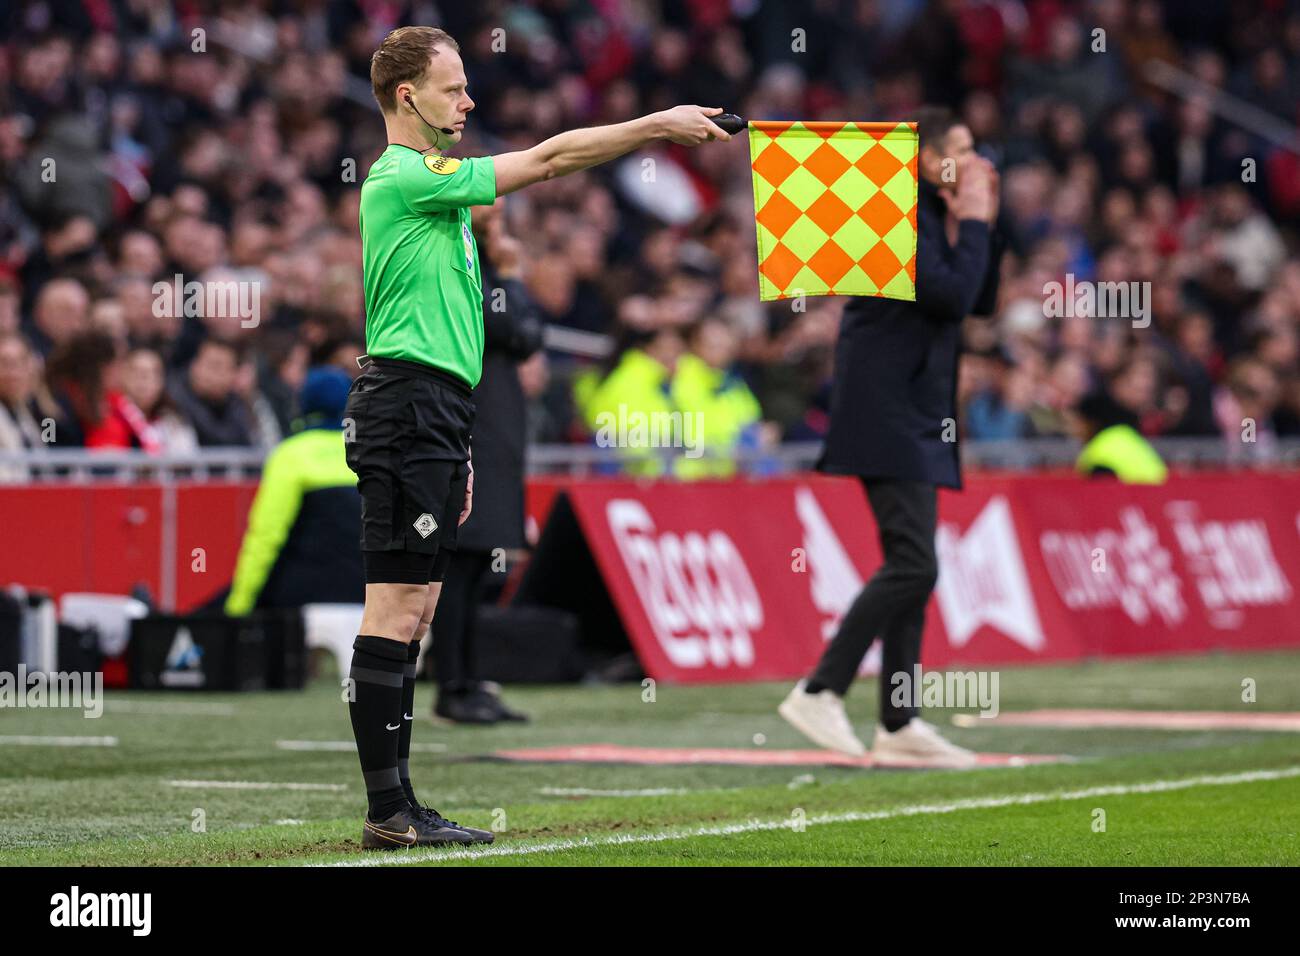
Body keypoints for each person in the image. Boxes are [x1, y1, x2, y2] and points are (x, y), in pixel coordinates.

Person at [341, 25, 729, 850]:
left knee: (419, 610)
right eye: (454, 88)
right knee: (398, 605)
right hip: (406, 405)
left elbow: (447, 325)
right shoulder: (407, 176)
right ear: (407, 96)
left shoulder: (432, 193)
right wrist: (655, 125)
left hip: (436, 408)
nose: (469, 101)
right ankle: (388, 811)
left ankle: (400, 803)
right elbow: (548, 161)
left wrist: (466, 436)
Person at [778, 106, 1003, 768]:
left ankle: (900, 722)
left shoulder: (935, 216)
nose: (977, 159)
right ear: (932, 159)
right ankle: (820, 689)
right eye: (963, 148)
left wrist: (983, 217)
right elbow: (955, 295)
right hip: (886, 412)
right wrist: (980, 220)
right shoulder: (890, 215)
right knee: (914, 564)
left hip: (917, 412)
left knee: (916, 566)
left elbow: (981, 296)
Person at [428, 199, 542, 725]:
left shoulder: (485, 268)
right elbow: (515, 331)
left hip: (493, 433)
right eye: (488, 215)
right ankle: (452, 684)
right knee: (461, 567)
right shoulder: (455, 261)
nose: (498, 225)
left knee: (479, 571)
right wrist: (513, 276)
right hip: (467, 428)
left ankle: (472, 680)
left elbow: (525, 336)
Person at [224, 367, 364, 616]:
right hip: (369, 600)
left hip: (301, 603)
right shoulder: (374, 454)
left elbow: (265, 538)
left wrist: (238, 607)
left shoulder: (290, 455)